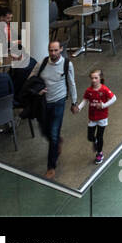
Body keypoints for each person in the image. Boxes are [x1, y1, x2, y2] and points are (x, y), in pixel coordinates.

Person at [29, 41, 80, 178]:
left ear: (61, 50)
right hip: (44, 103)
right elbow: (31, 79)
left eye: (56, 50)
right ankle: (57, 140)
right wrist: (37, 90)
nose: (53, 53)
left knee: (53, 132)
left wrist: (74, 102)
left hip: (59, 102)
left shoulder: (67, 64)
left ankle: (51, 167)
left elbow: (71, 83)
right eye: (51, 50)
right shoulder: (42, 64)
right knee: (44, 129)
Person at [83, 68, 117, 165]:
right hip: (92, 117)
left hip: (102, 117)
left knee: (100, 135)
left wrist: (103, 105)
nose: (93, 80)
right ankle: (95, 141)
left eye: (96, 78)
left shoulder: (104, 89)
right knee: (90, 136)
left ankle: (99, 153)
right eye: (92, 78)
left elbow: (114, 98)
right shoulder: (89, 90)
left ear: (100, 78)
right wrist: (79, 108)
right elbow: (85, 100)